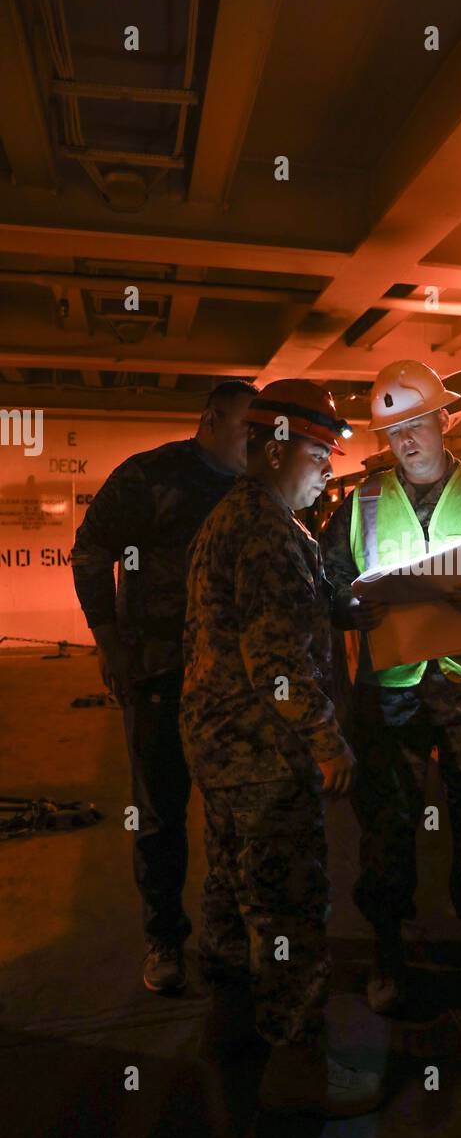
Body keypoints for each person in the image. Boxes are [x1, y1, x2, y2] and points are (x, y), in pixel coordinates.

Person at [321, 358, 461, 1014]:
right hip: (391, 691)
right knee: (386, 827)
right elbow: (327, 581)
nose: (408, 441)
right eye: (395, 433)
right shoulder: (361, 503)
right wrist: (348, 607)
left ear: (444, 420)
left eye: (418, 425)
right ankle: (389, 950)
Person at [181, 379, 382, 1117]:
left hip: (221, 746)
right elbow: (277, 660)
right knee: (289, 910)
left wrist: (348, 604)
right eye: (321, 450)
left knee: (234, 894)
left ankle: (231, 1034)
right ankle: (299, 1072)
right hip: (262, 753)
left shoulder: (249, 519)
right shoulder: (266, 532)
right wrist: (328, 742)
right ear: (274, 450)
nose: (331, 464)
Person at [71, 380, 255, 993]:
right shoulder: (148, 477)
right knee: (159, 813)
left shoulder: (255, 489)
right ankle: (165, 941)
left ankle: (227, 933)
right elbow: (92, 552)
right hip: (157, 670)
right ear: (211, 419)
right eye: (246, 430)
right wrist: (108, 638)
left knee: (235, 811)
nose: (256, 443)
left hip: (235, 677)